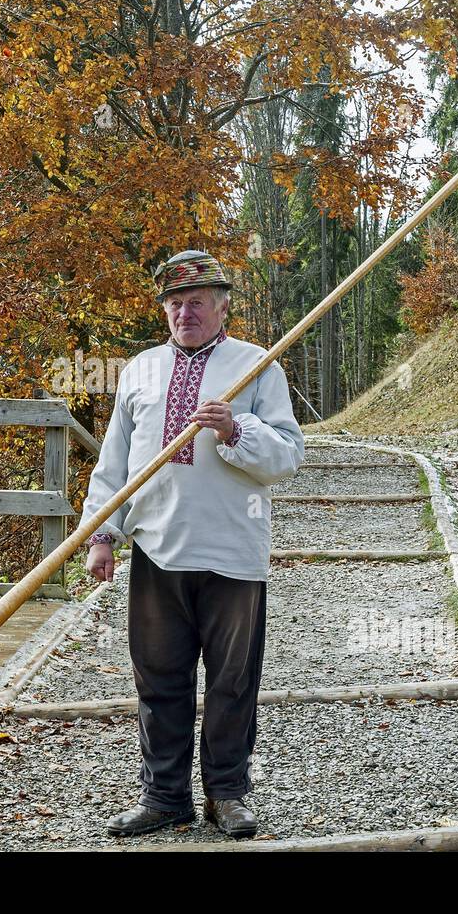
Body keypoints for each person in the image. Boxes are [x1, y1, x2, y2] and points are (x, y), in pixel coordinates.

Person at [79, 249, 305, 838]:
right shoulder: (141, 371)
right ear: (164, 312)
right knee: (158, 678)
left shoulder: (258, 366)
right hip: (156, 549)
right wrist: (102, 534)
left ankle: (227, 796)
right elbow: (116, 464)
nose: (185, 313)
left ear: (222, 307)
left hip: (232, 552)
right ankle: (165, 798)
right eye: (175, 304)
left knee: (232, 681)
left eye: (197, 302)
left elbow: (287, 458)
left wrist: (236, 429)